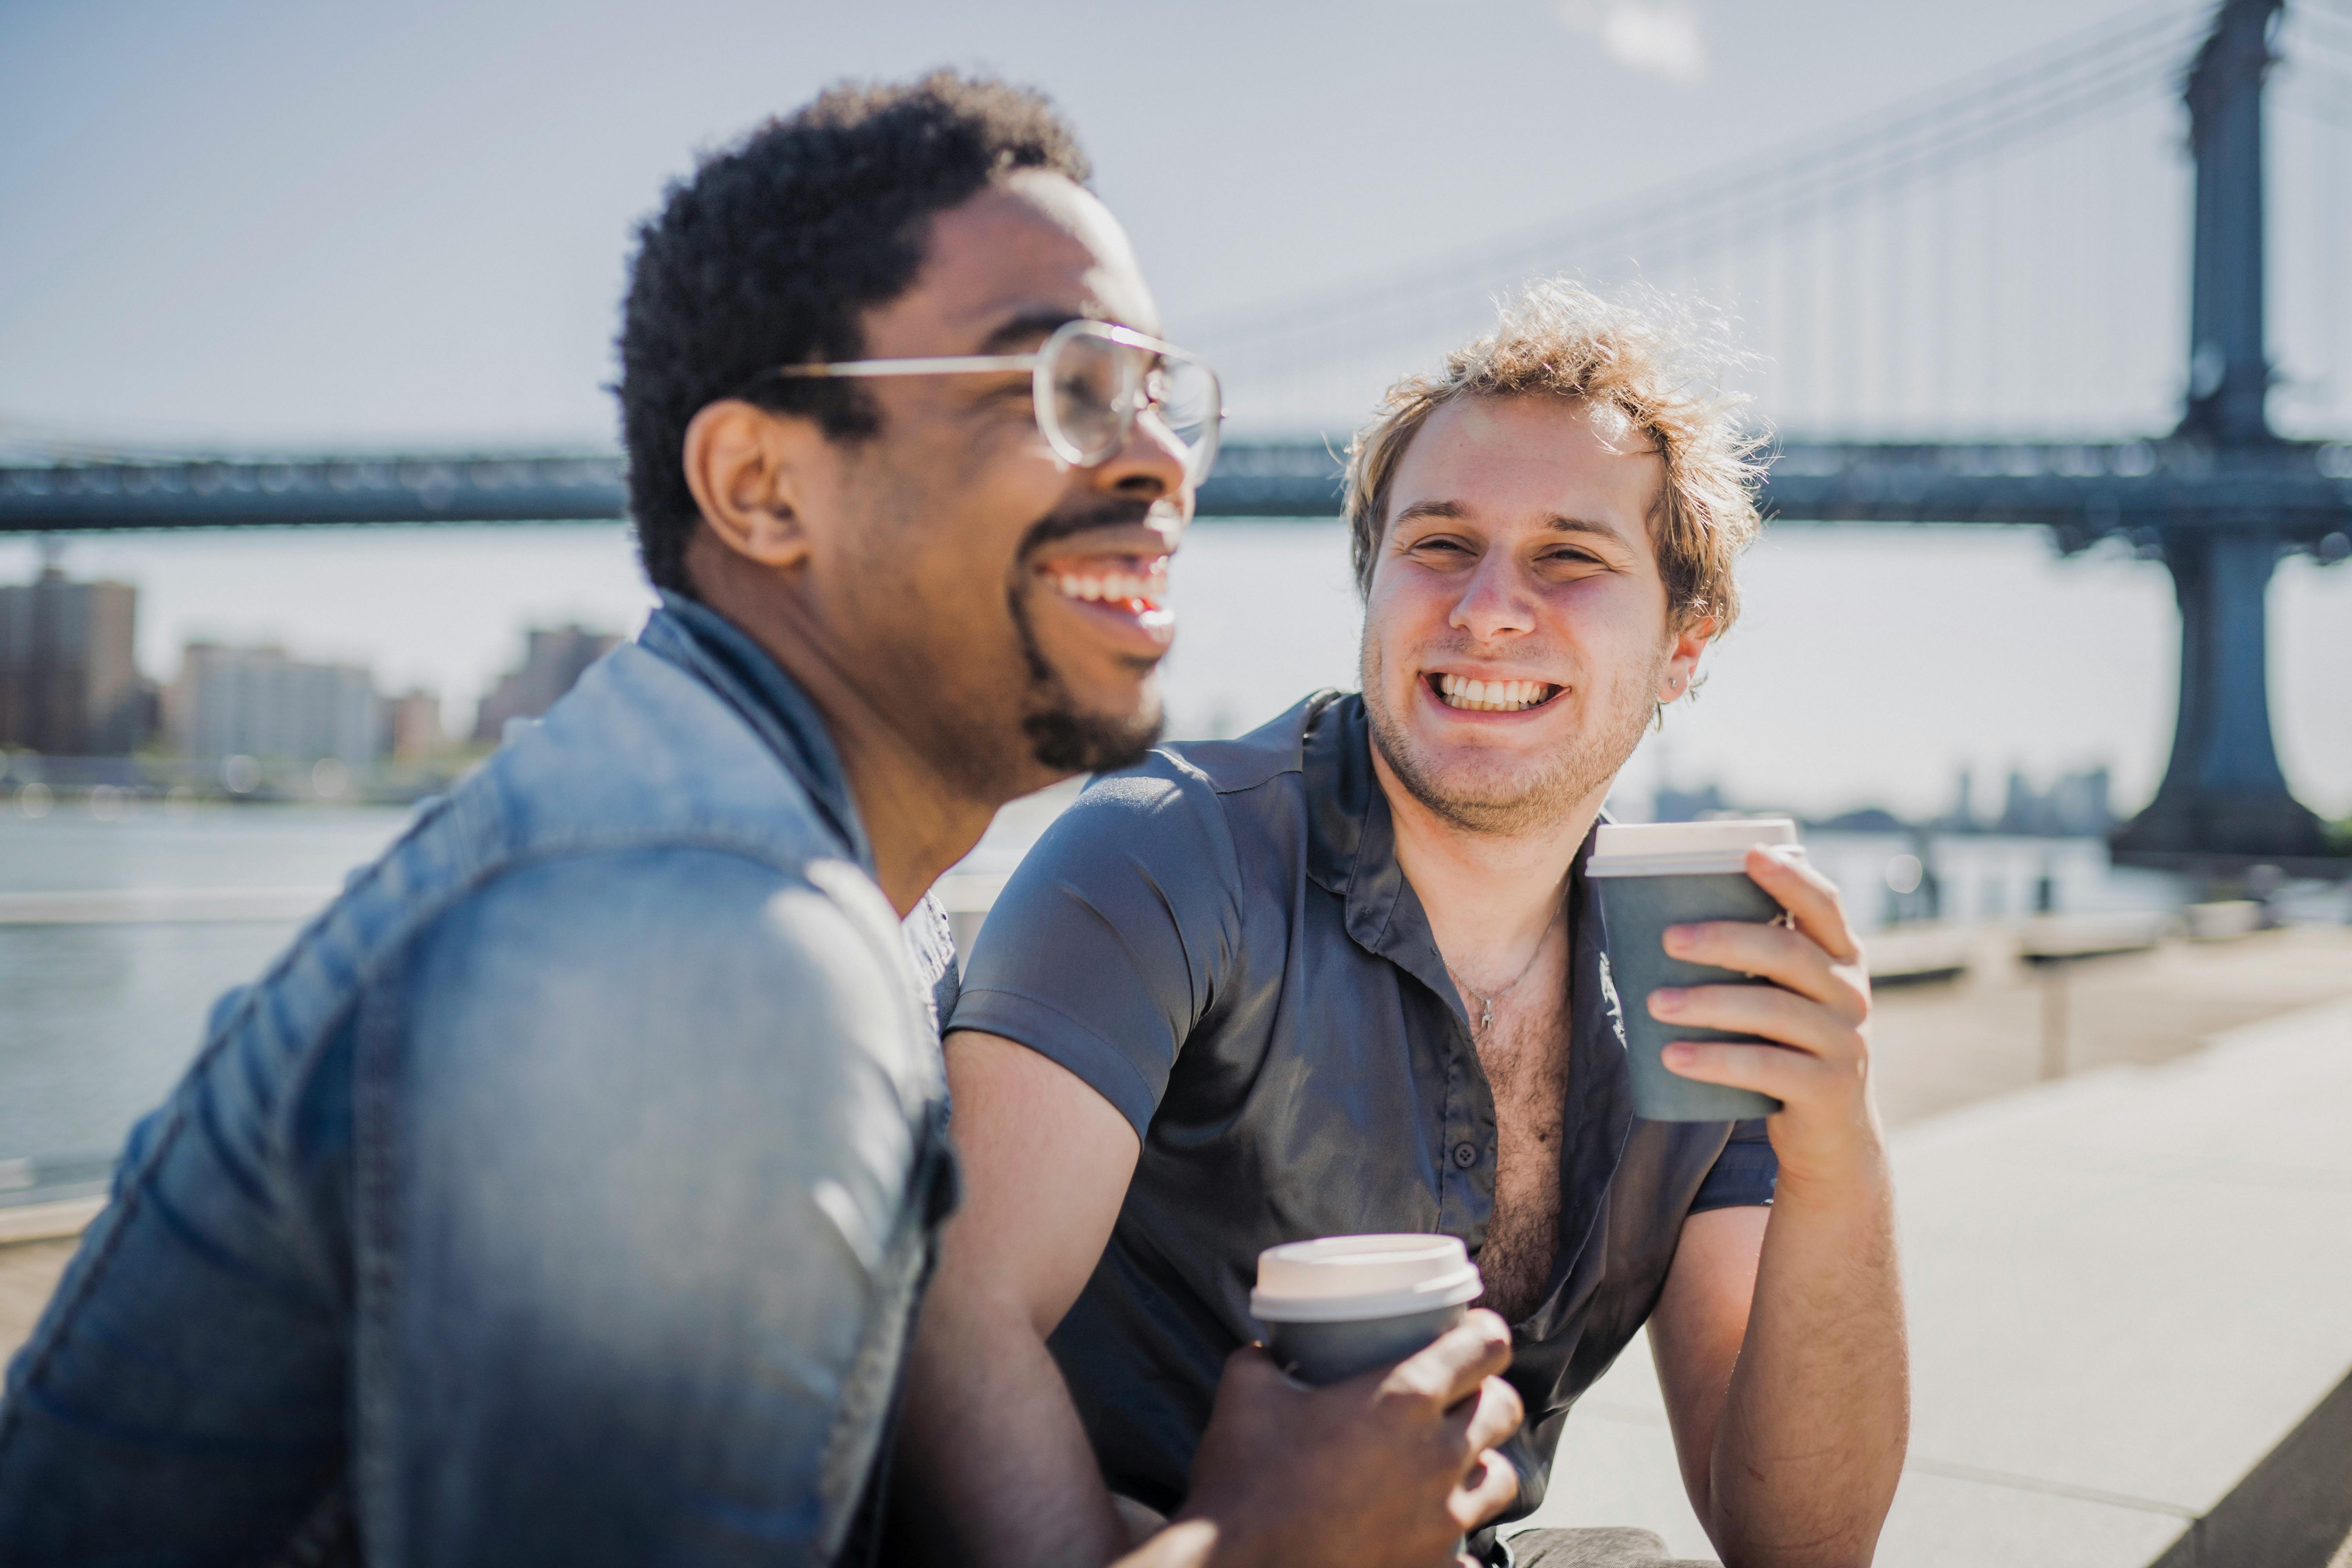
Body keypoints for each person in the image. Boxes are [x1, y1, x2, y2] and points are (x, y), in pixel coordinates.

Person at [0, 75, 1525, 1566]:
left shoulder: (806, 860)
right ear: (758, 484)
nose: (1157, 464)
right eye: (1054, 382)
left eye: (1154, 395)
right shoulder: (704, 953)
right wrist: (1260, 1546)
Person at [902, 281, 1910, 1568]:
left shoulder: (1701, 966)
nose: (1488, 607)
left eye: (1571, 557)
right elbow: (958, 1327)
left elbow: (1801, 1545)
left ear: (1685, 644)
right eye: (1438, 545)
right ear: (1371, 584)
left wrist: (1842, 1156)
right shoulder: (1163, 854)